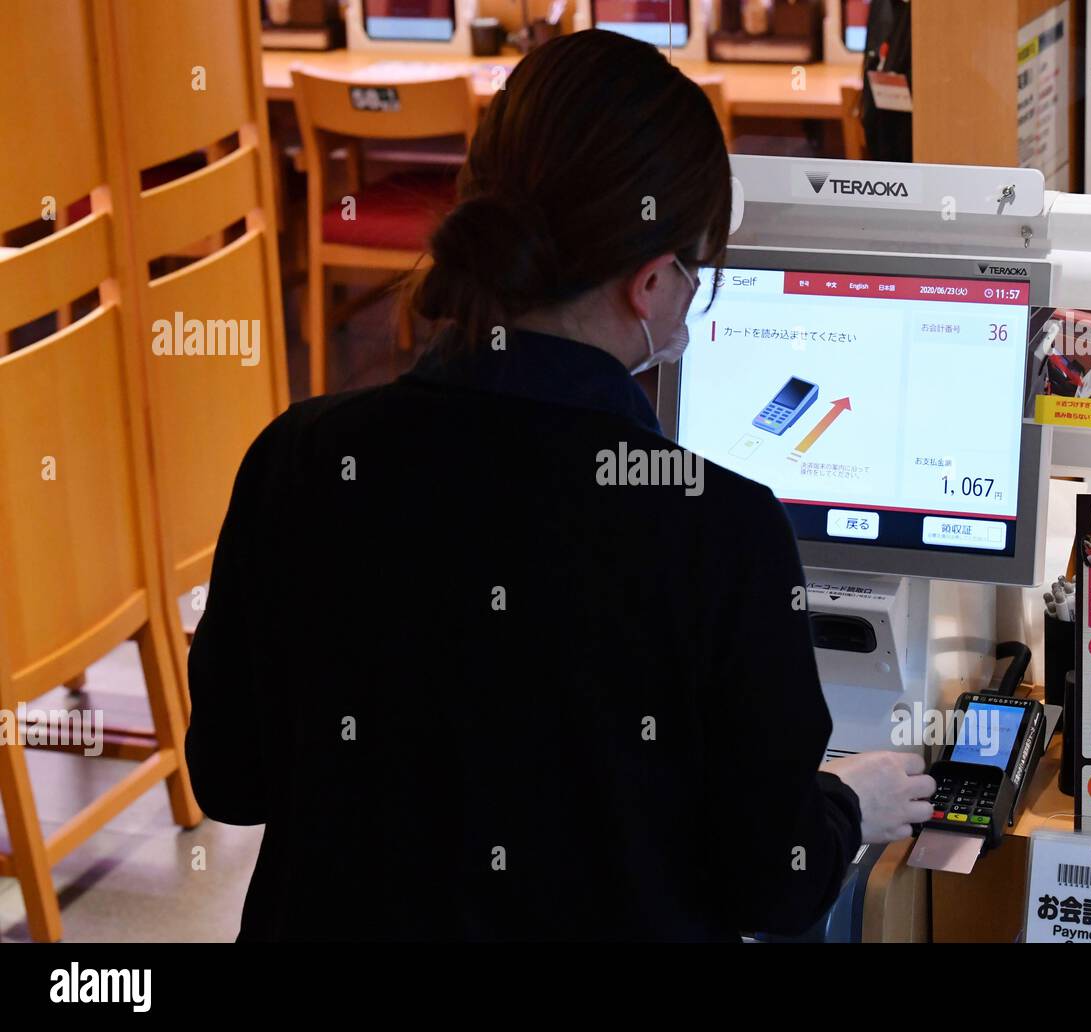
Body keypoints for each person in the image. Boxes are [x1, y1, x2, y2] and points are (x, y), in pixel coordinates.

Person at [186, 28, 934, 942]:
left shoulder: (297, 462)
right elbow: (768, 887)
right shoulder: (719, 531)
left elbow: (231, 781)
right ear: (653, 284)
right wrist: (842, 808)